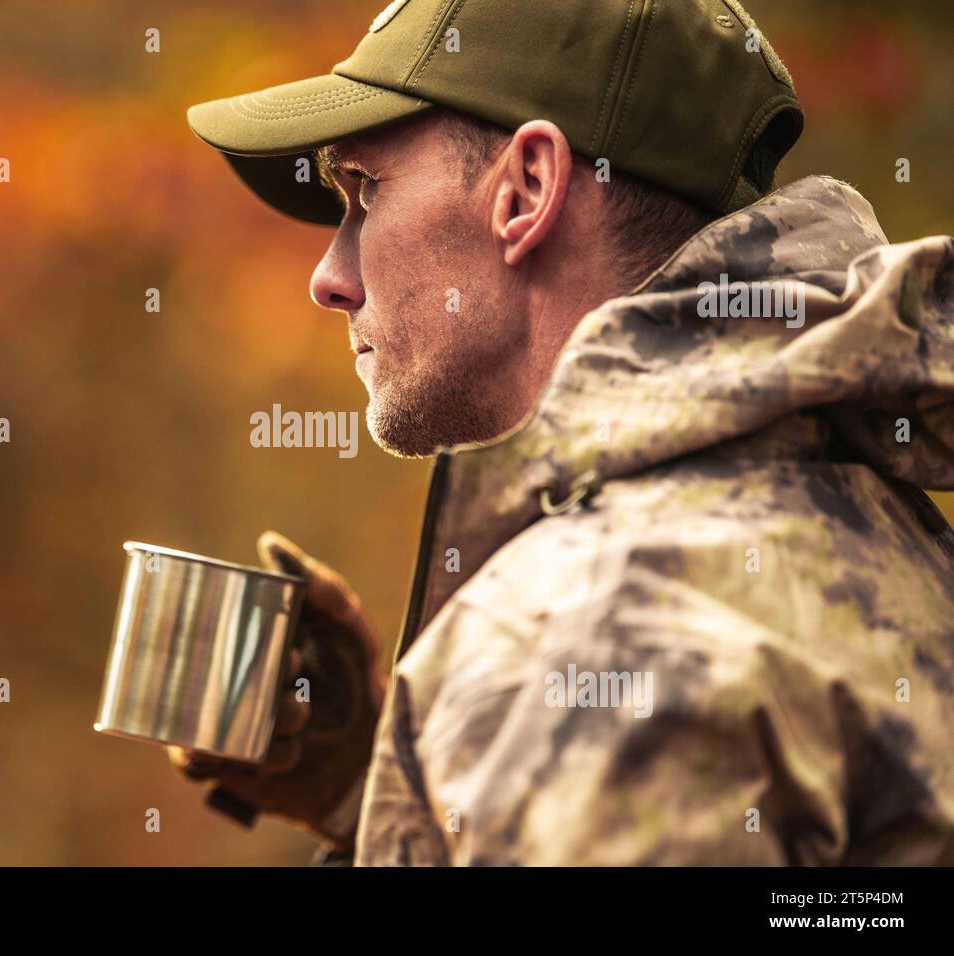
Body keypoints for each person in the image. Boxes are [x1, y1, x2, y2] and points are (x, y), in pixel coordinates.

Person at [171, 0, 954, 865]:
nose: (329, 278)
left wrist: (513, 713)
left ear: (529, 189)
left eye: (366, 192)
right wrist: (389, 793)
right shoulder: (878, 520)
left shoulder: (591, 632)